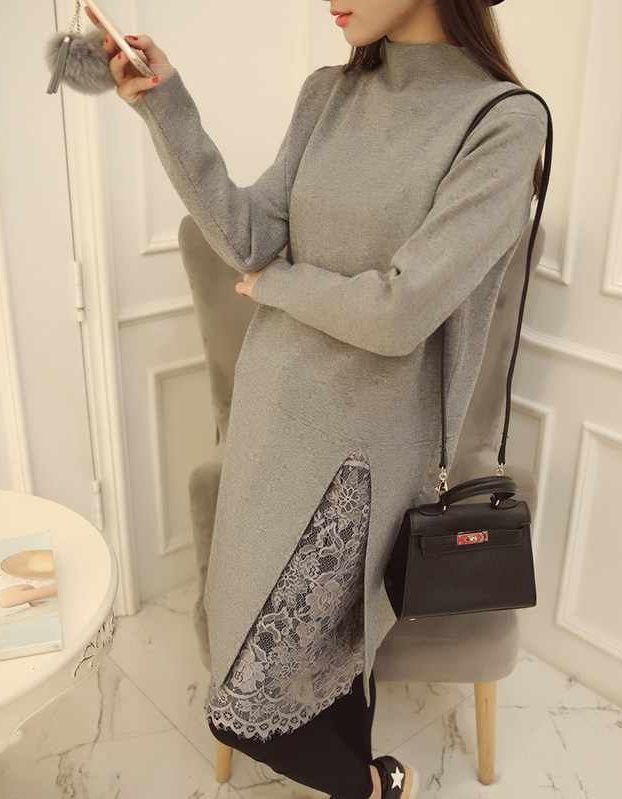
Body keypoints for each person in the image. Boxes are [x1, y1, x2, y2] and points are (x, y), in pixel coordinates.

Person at [89, 1, 546, 796]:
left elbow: (400, 312)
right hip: (267, 422)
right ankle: (370, 780)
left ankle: (371, 784)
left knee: (248, 703)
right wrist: (165, 105)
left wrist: (278, 284)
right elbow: (249, 238)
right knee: (309, 664)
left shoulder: (502, 121)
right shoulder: (326, 94)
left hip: (361, 454)